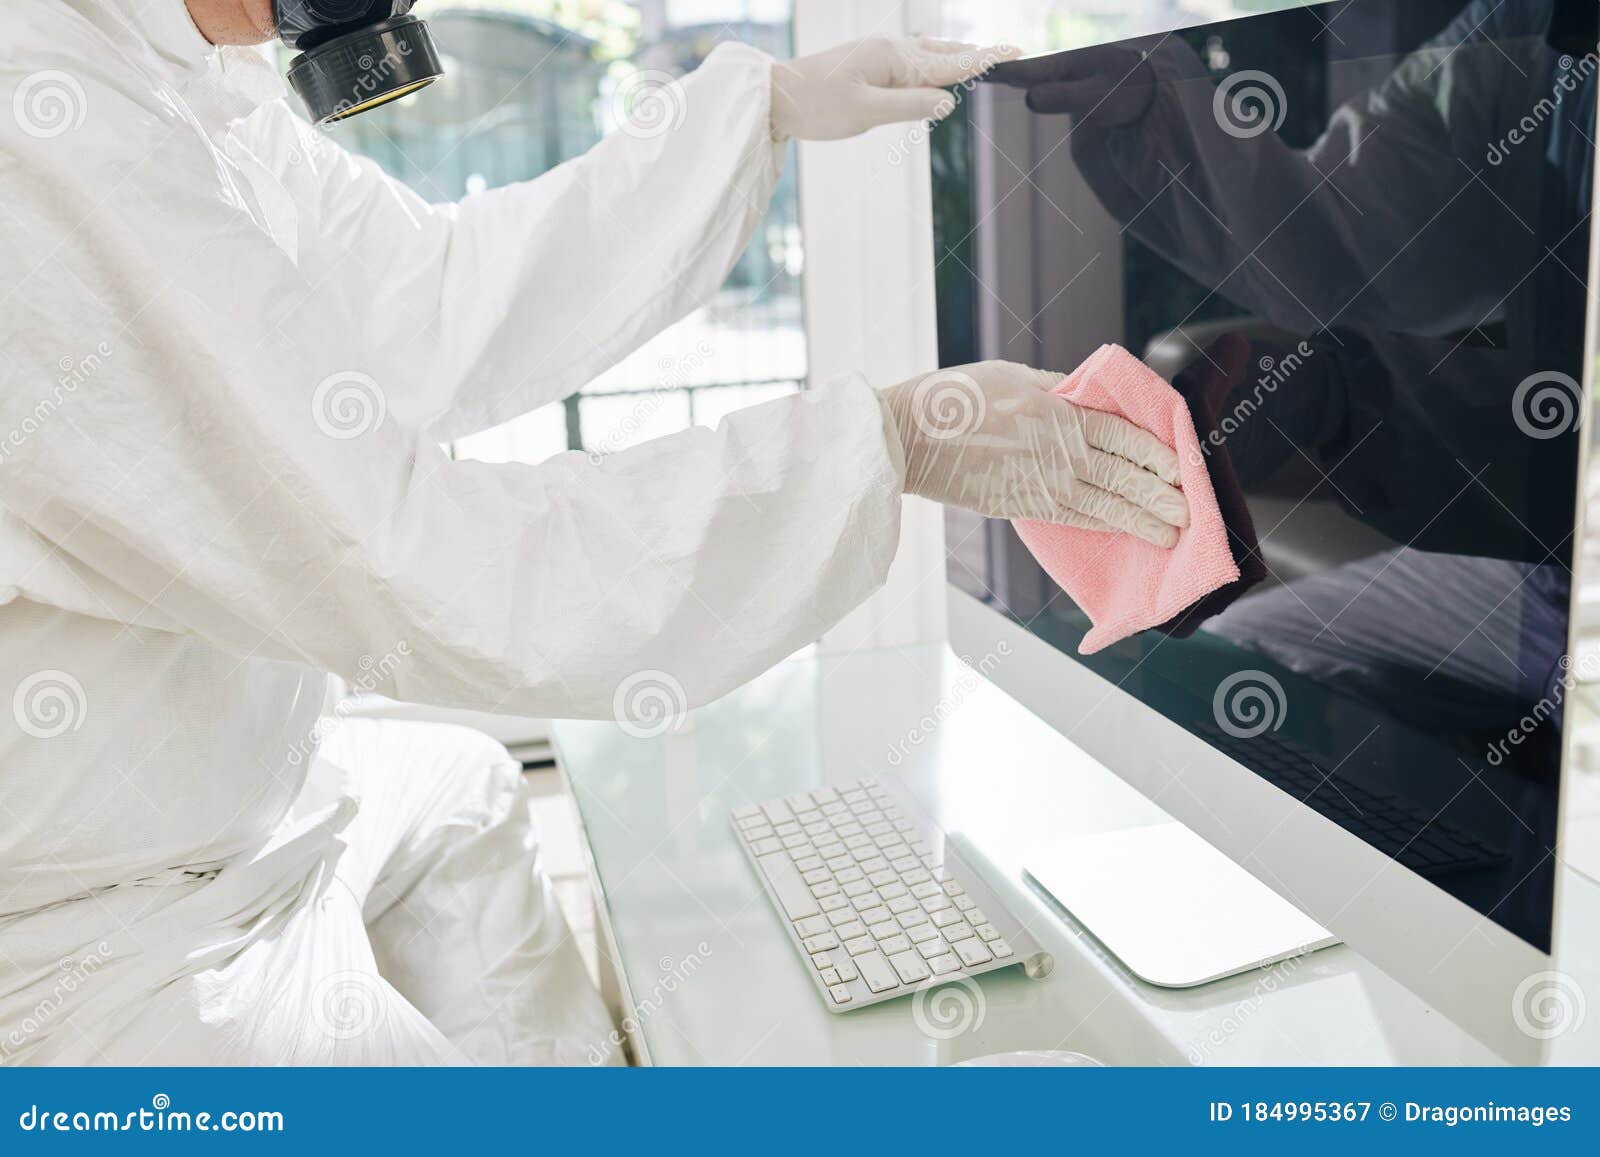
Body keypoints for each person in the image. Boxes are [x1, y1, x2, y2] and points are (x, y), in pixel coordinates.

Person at [0, 1, 1188, 1064]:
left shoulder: (189, 70)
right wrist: (884, 446)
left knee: (461, 785)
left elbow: (435, 303)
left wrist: (754, 115)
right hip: (92, 937)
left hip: (222, 804)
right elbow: (411, 564)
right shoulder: (41, 120)